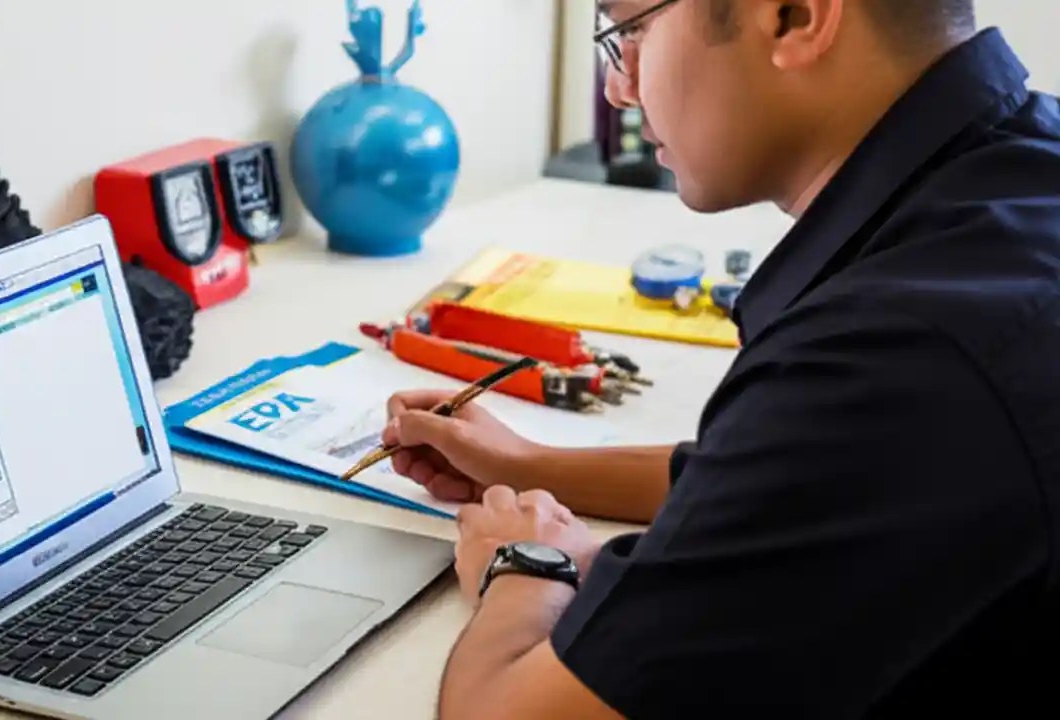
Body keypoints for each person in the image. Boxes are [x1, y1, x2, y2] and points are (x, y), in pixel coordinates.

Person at [381, 1, 1060, 717]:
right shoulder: (1012, 184)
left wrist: (523, 566)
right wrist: (531, 466)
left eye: (630, 30)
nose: (619, 89)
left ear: (795, 17)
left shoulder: (897, 353)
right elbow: (786, 479)